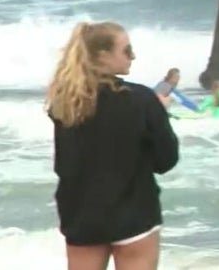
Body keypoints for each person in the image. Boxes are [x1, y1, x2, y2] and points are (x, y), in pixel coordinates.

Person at [47, 20, 180, 270]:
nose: (133, 56)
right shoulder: (141, 100)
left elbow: (65, 164)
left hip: (80, 215)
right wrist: (158, 115)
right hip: (133, 215)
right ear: (103, 55)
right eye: (127, 50)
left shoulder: (64, 102)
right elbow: (165, 161)